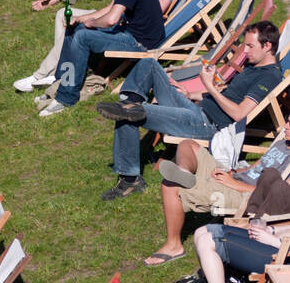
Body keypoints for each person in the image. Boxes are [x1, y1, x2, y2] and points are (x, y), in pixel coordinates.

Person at [96, 21, 282, 200]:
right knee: (149, 65)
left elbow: (239, 113)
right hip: (196, 108)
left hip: (207, 125)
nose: (245, 51)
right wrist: (191, 94)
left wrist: (209, 86)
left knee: (129, 115)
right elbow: (227, 93)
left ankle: (130, 181)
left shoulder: (269, 77)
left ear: (267, 46)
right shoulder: (253, 65)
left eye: (250, 46)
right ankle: (129, 103)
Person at [15, 0, 183, 98]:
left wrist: (94, 19)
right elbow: (117, 5)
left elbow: (156, 9)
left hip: (128, 28)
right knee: (65, 16)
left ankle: (48, 75)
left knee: (78, 31)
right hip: (118, 15)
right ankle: (59, 71)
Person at [38, 0, 166, 116]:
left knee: (82, 37)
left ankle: (66, 98)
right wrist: (81, 19)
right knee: (74, 28)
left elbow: (112, 19)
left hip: (140, 43)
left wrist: (90, 23)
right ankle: (60, 82)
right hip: (134, 34)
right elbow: (111, 9)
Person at [145, 119, 290, 268]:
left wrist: (233, 183)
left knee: (169, 185)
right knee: (188, 145)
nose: (284, 126)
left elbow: (274, 197)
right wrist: (232, 172)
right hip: (233, 179)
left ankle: (173, 246)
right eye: (287, 121)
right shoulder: (282, 143)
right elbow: (255, 167)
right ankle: (184, 173)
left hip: (244, 196)